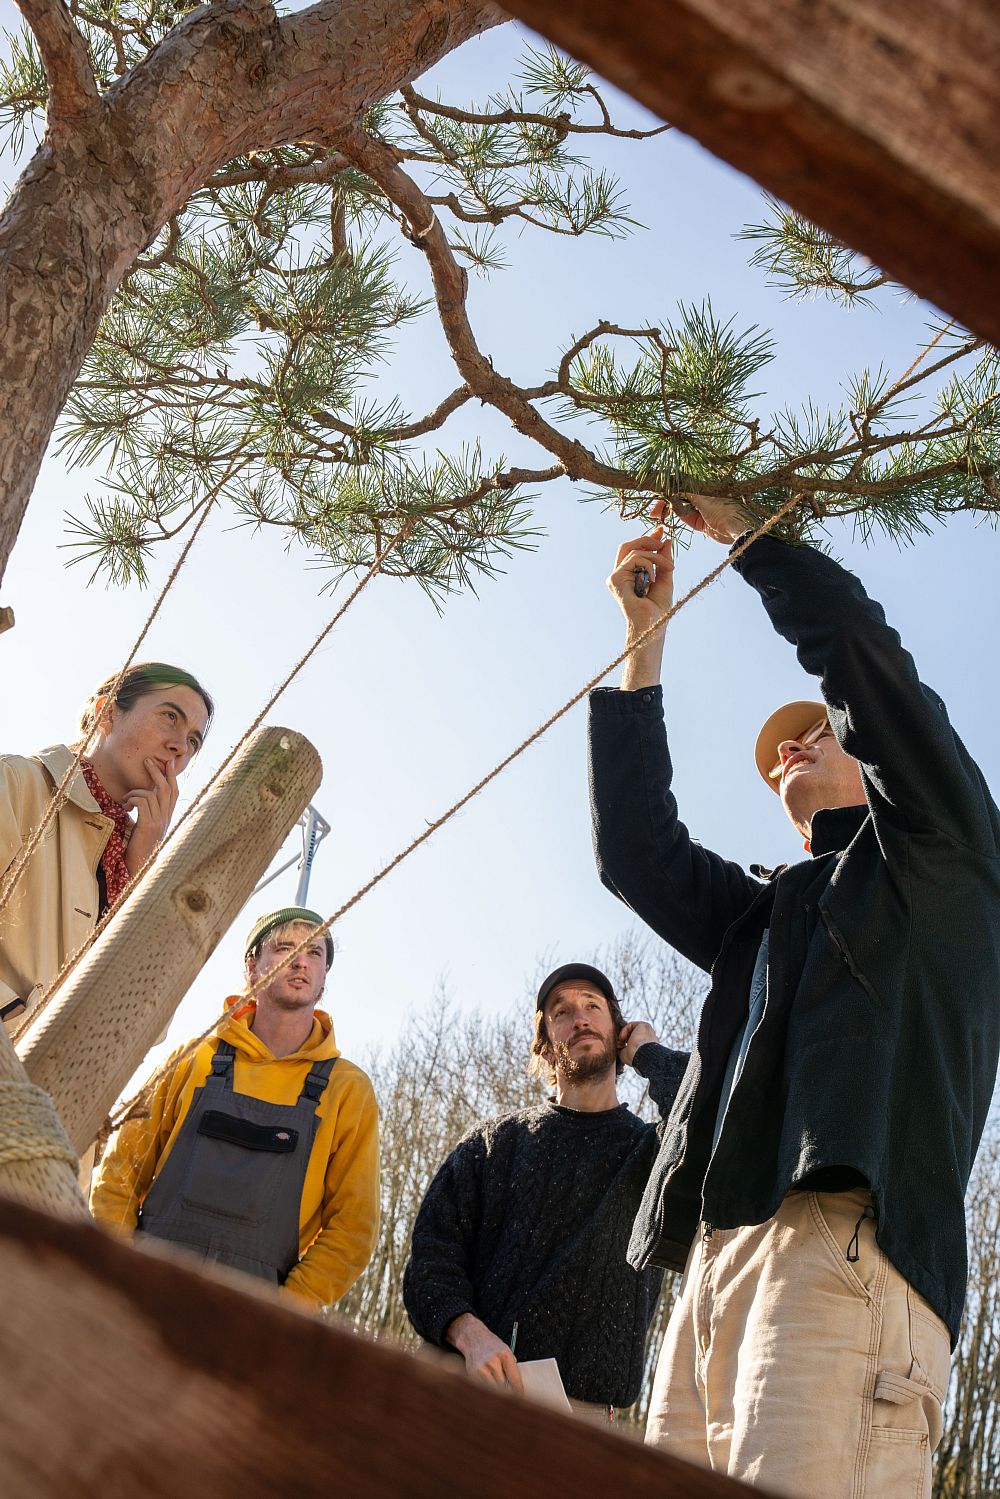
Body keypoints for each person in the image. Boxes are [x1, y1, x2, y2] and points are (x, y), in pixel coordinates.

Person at [589, 498, 1000, 1496]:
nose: (790, 747)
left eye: (817, 732)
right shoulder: (767, 910)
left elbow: (860, 655)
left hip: (849, 1253)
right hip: (712, 1270)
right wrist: (643, 646)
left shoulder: (945, 857)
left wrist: (749, 534)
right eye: (776, 746)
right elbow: (638, 854)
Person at [402, 963, 688, 1426]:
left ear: (618, 1032)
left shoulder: (655, 1153)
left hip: (583, 1422)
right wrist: (468, 1333)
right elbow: (430, 1262)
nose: (580, 1018)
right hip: (463, 1395)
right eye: (562, 1011)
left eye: (593, 1007)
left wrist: (650, 1055)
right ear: (545, 1045)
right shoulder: (492, 1144)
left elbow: (719, 1125)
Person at [90, 907, 380, 1309]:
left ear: (325, 975)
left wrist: (283, 1312)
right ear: (251, 965)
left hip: (253, 1319)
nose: (301, 961)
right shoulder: (193, 1059)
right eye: (284, 947)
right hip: (142, 1292)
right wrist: (120, 1269)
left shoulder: (346, 1090)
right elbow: (119, 1173)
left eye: (315, 952)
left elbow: (353, 1228)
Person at [0, 661, 213, 1031]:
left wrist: (143, 869)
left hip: (62, 1085)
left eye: (194, 740)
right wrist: (11, 1017)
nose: (180, 746)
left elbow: (150, 1021)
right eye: (169, 716)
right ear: (107, 712)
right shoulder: (19, 783)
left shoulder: (139, 856)